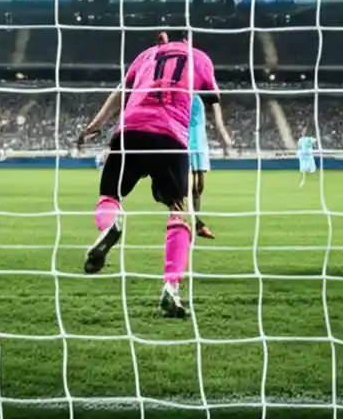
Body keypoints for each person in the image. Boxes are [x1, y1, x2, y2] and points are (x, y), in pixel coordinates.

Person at [76, 30, 220, 318]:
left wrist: (95, 124)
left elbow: (120, 92)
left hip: (130, 130)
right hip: (171, 136)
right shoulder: (200, 57)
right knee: (180, 211)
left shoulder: (145, 55)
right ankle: (171, 288)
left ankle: (110, 227)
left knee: (109, 195)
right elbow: (213, 98)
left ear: (162, 40)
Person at [188, 92, 233, 239]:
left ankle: (196, 217)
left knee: (199, 186)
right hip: (186, 137)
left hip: (200, 139)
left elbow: (215, 106)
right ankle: (193, 221)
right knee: (189, 184)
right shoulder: (181, 93)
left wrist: (224, 133)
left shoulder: (201, 94)